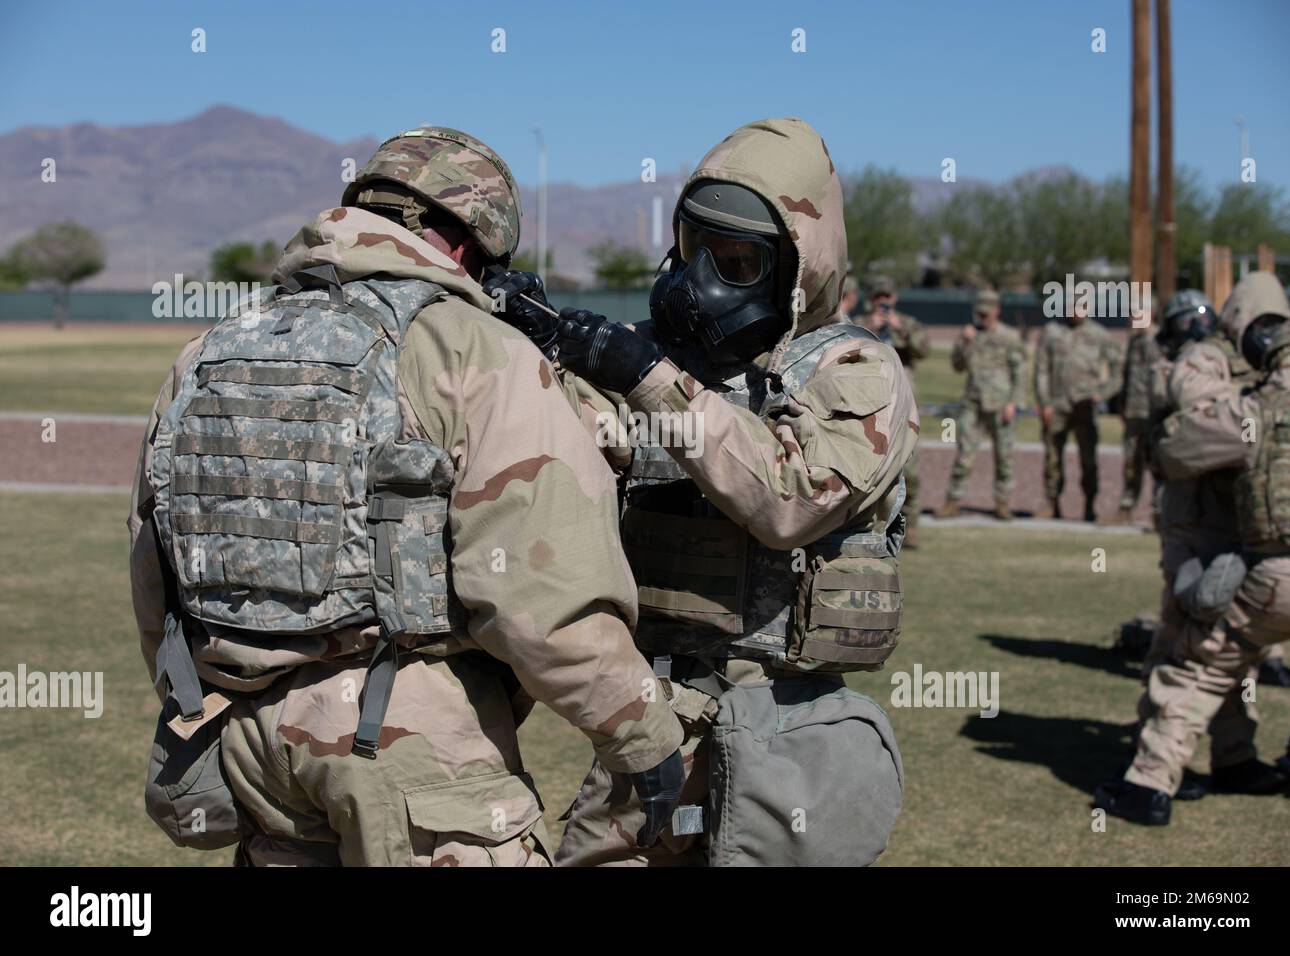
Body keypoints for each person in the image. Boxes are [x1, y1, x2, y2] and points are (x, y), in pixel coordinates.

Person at [129, 127, 682, 866]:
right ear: (464, 245)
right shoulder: (467, 347)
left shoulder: (213, 347)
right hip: (409, 745)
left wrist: (205, 694)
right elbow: (545, 597)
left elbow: (154, 566)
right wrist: (641, 734)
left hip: (248, 745)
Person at [492, 117, 916, 866]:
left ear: (798, 269)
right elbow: (575, 452)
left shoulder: (856, 372)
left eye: (738, 261)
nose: (703, 281)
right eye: (696, 251)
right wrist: (531, 348)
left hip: (781, 723)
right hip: (653, 719)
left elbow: (791, 502)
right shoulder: (662, 368)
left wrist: (648, 378)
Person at [1094, 273, 1290, 825]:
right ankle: (1155, 755)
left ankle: (1233, 757)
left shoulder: (1270, 382)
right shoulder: (1207, 359)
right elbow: (1192, 421)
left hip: (1253, 537)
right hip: (1202, 529)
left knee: (1232, 658)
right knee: (1188, 641)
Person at [1032, 291, 1123, 522]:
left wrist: (1101, 394)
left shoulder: (1099, 335)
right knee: (1052, 457)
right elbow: (1041, 370)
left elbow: (1117, 370)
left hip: (1084, 406)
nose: (1076, 311)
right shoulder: (1052, 332)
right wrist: (1044, 402)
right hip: (1057, 404)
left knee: (1089, 459)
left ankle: (1090, 506)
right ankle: (1051, 504)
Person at [858, 275, 931, 547]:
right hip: (872, 406)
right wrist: (868, 328)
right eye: (878, 297)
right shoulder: (859, 323)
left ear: (895, 299)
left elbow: (924, 349)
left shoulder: (907, 323)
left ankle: (911, 527)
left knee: (910, 469)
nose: (883, 303)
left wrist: (901, 330)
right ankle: (872, 527)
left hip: (905, 406)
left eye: (887, 297)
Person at [937, 289, 1023, 521]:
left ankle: (1002, 503)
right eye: (979, 313)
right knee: (964, 455)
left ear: (997, 311)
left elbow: (1018, 372)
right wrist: (965, 344)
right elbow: (957, 366)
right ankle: (952, 501)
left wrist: (1014, 402)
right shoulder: (969, 333)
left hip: (1001, 402)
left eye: (987, 313)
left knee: (1004, 456)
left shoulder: (1010, 336)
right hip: (973, 403)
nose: (982, 317)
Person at [1114, 314, 1162, 523]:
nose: (1133, 319)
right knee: (1131, 461)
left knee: (1157, 464)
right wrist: (1122, 402)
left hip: (1152, 412)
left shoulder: (1159, 340)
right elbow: (1127, 375)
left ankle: (1158, 512)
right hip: (1133, 412)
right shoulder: (1134, 341)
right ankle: (1126, 507)